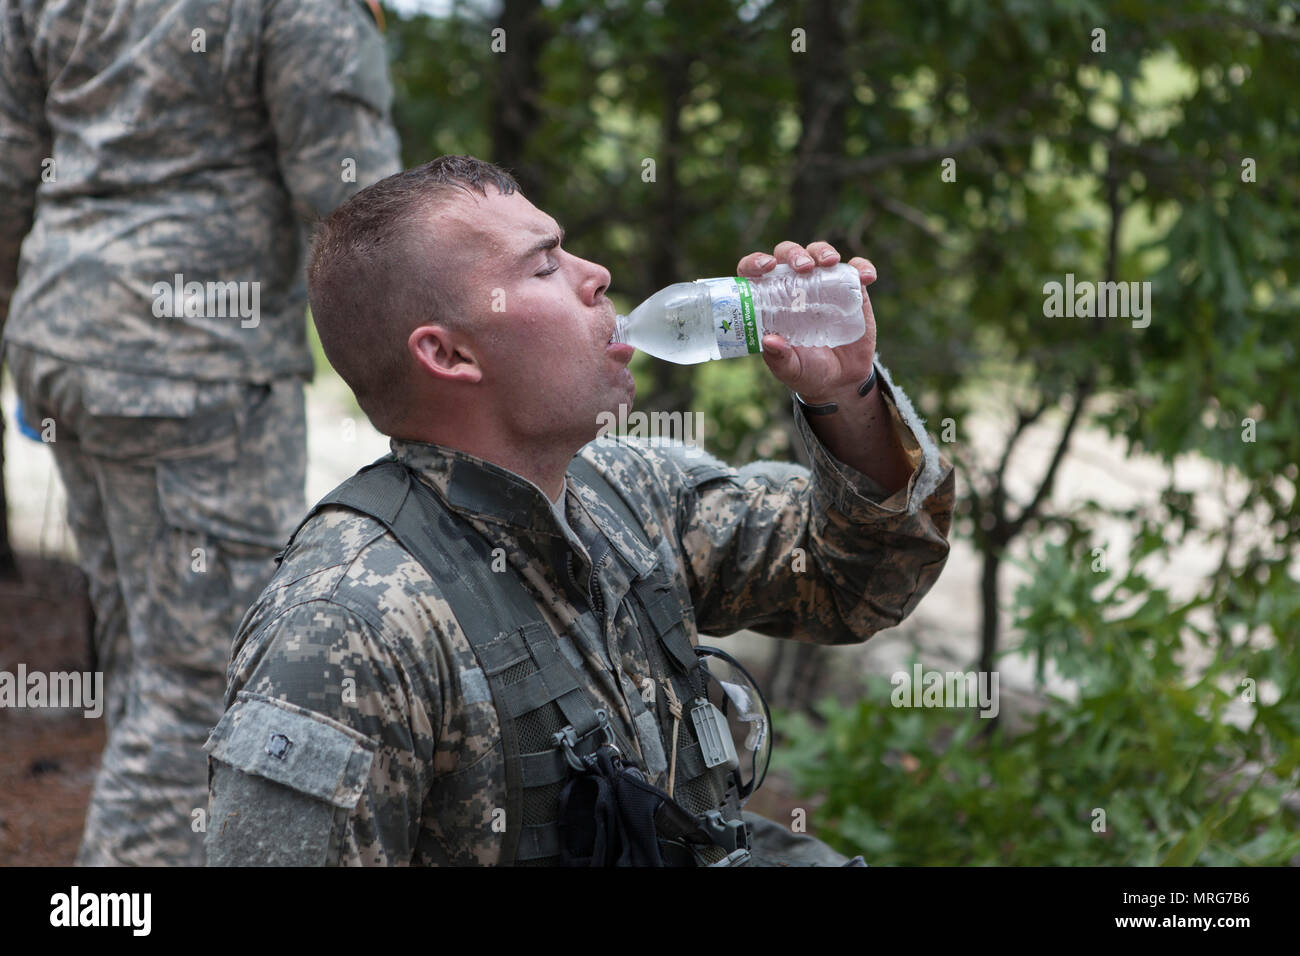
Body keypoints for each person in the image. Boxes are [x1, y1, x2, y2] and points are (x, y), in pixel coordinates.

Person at [204, 154, 955, 866]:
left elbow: (854, 580)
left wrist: (844, 395)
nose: (596, 276)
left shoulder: (625, 490)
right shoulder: (347, 625)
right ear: (452, 356)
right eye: (545, 264)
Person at [0, 0, 402, 865]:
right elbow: (364, 212)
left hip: (65, 333)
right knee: (198, 691)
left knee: (147, 663)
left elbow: (7, 165)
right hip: (190, 364)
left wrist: (20, 328)